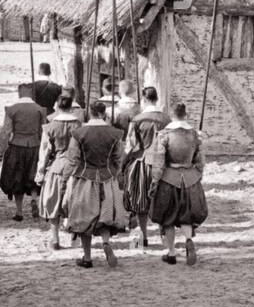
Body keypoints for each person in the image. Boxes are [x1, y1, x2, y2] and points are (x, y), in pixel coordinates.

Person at [63, 101, 127, 269]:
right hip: (107, 179)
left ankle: (87, 257)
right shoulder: (115, 134)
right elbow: (119, 158)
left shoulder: (79, 133)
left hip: (85, 179)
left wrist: (65, 179)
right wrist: (114, 172)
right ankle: (105, 242)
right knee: (105, 216)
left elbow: (73, 159)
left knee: (85, 219)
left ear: (89, 113)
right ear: (104, 113)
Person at [148, 102, 207, 265]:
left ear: (171, 115)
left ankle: (171, 252)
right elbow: (200, 160)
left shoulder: (163, 135)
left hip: (169, 179)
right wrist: (198, 175)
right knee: (186, 215)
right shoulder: (195, 135)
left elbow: (159, 161)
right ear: (185, 114)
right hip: (190, 179)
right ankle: (188, 239)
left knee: (168, 217)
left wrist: (155, 180)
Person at [122, 86, 170, 247]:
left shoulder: (137, 120)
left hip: (143, 162)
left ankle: (143, 235)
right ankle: (164, 234)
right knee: (163, 200)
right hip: (163, 164)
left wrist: (125, 161)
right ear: (156, 99)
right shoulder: (167, 119)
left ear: (144, 100)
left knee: (140, 200)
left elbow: (132, 144)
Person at [35, 92, 82, 250]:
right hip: (76, 168)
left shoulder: (50, 126)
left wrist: (40, 172)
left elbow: (45, 151)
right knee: (76, 202)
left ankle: (55, 238)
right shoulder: (79, 125)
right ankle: (76, 236)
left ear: (57, 106)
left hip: (57, 167)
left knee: (54, 202)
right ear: (71, 106)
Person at [0, 82, 46, 221]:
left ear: (19, 93)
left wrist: (0, 150)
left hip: (17, 146)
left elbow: (6, 132)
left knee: (17, 178)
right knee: (33, 175)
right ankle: (34, 200)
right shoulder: (40, 110)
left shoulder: (12, 109)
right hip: (35, 146)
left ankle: (19, 211)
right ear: (31, 94)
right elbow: (44, 131)